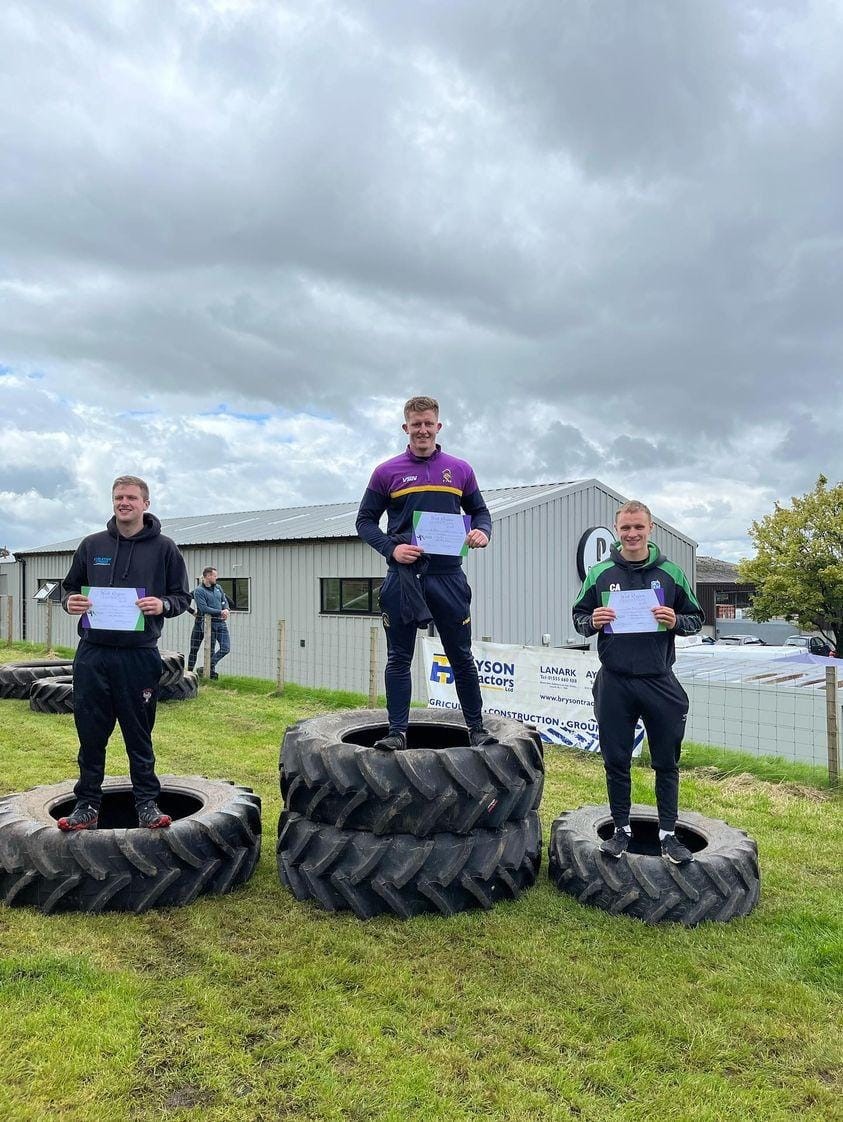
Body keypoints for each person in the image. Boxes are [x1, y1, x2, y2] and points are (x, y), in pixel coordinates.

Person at [357, 395, 494, 751]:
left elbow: (480, 512)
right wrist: (392, 549)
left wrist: (483, 532)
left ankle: (476, 729)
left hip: (449, 577)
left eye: (428, 424)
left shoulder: (460, 469)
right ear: (406, 428)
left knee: (460, 657)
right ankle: (396, 732)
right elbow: (365, 521)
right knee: (398, 658)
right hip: (404, 577)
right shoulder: (386, 471)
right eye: (415, 424)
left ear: (438, 426)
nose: (422, 430)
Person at [571, 500, 704, 864]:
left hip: (659, 680)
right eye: (625, 528)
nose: (632, 534)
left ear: (650, 529)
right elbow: (579, 616)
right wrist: (592, 621)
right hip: (614, 682)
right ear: (617, 531)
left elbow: (696, 619)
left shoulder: (671, 574)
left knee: (666, 762)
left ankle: (668, 835)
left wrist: (675, 619)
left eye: (638, 528)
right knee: (616, 760)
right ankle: (620, 831)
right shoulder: (600, 573)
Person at [58, 475, 190, 831]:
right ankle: (87, 804)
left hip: (138, 654)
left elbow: (182, 597)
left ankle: (147, 803)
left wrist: (162, 604)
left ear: (146, 503)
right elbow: (69, 588)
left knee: (138, 734)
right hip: (93, 654)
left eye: (131, 497)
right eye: (118, 497)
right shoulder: (91, 545)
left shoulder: (165, 548)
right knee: (90, 732)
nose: (123, 503)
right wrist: (70, 601)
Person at [187, 566, 231, 679]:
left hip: (218, 622)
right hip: (202, 622)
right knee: (195, 648)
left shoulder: (218, 588)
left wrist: (226, 609)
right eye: (215, 576)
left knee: (223, 648)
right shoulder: (198, 591)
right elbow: (185, 601)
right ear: (207, 576)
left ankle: (207, 670)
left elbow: (225, 601)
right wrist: (192, 611)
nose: (217, 578)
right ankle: (189, 674)